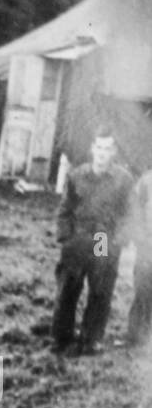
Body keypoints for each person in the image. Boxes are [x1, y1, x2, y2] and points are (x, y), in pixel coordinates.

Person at [51, 128, 134, 356]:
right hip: (79, 237)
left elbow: (129, 214)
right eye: (99, 147)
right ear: (92, 148)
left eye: (107, 149)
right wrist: (66, 236)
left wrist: (118, 241)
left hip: (102, 239)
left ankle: (91, 339)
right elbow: (65, 209)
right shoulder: (77, 175)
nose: (102, 154)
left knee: (100, 290)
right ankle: (61, 338)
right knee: (68, 289)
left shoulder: (123, 180)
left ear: (114, 152)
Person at [127, 168, 152, 350]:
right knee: (142, 290)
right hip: (148, 246)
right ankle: (135, 336)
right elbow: (135, 211)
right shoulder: (146, 181)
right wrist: (141, 238)